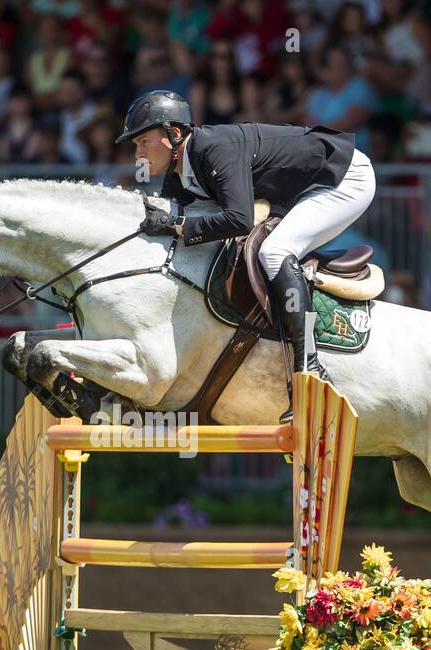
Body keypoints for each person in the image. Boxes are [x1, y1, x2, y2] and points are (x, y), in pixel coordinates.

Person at [120, 89, 375, 422]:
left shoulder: (214, 149)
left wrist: (177, 225)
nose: (138, 153)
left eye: (142, 142)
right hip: (302, 186)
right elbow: (174, 225)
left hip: (343, 178)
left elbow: (236, 219)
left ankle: (310, 370)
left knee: (275, 252)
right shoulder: (179, 173)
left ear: (175, 133)